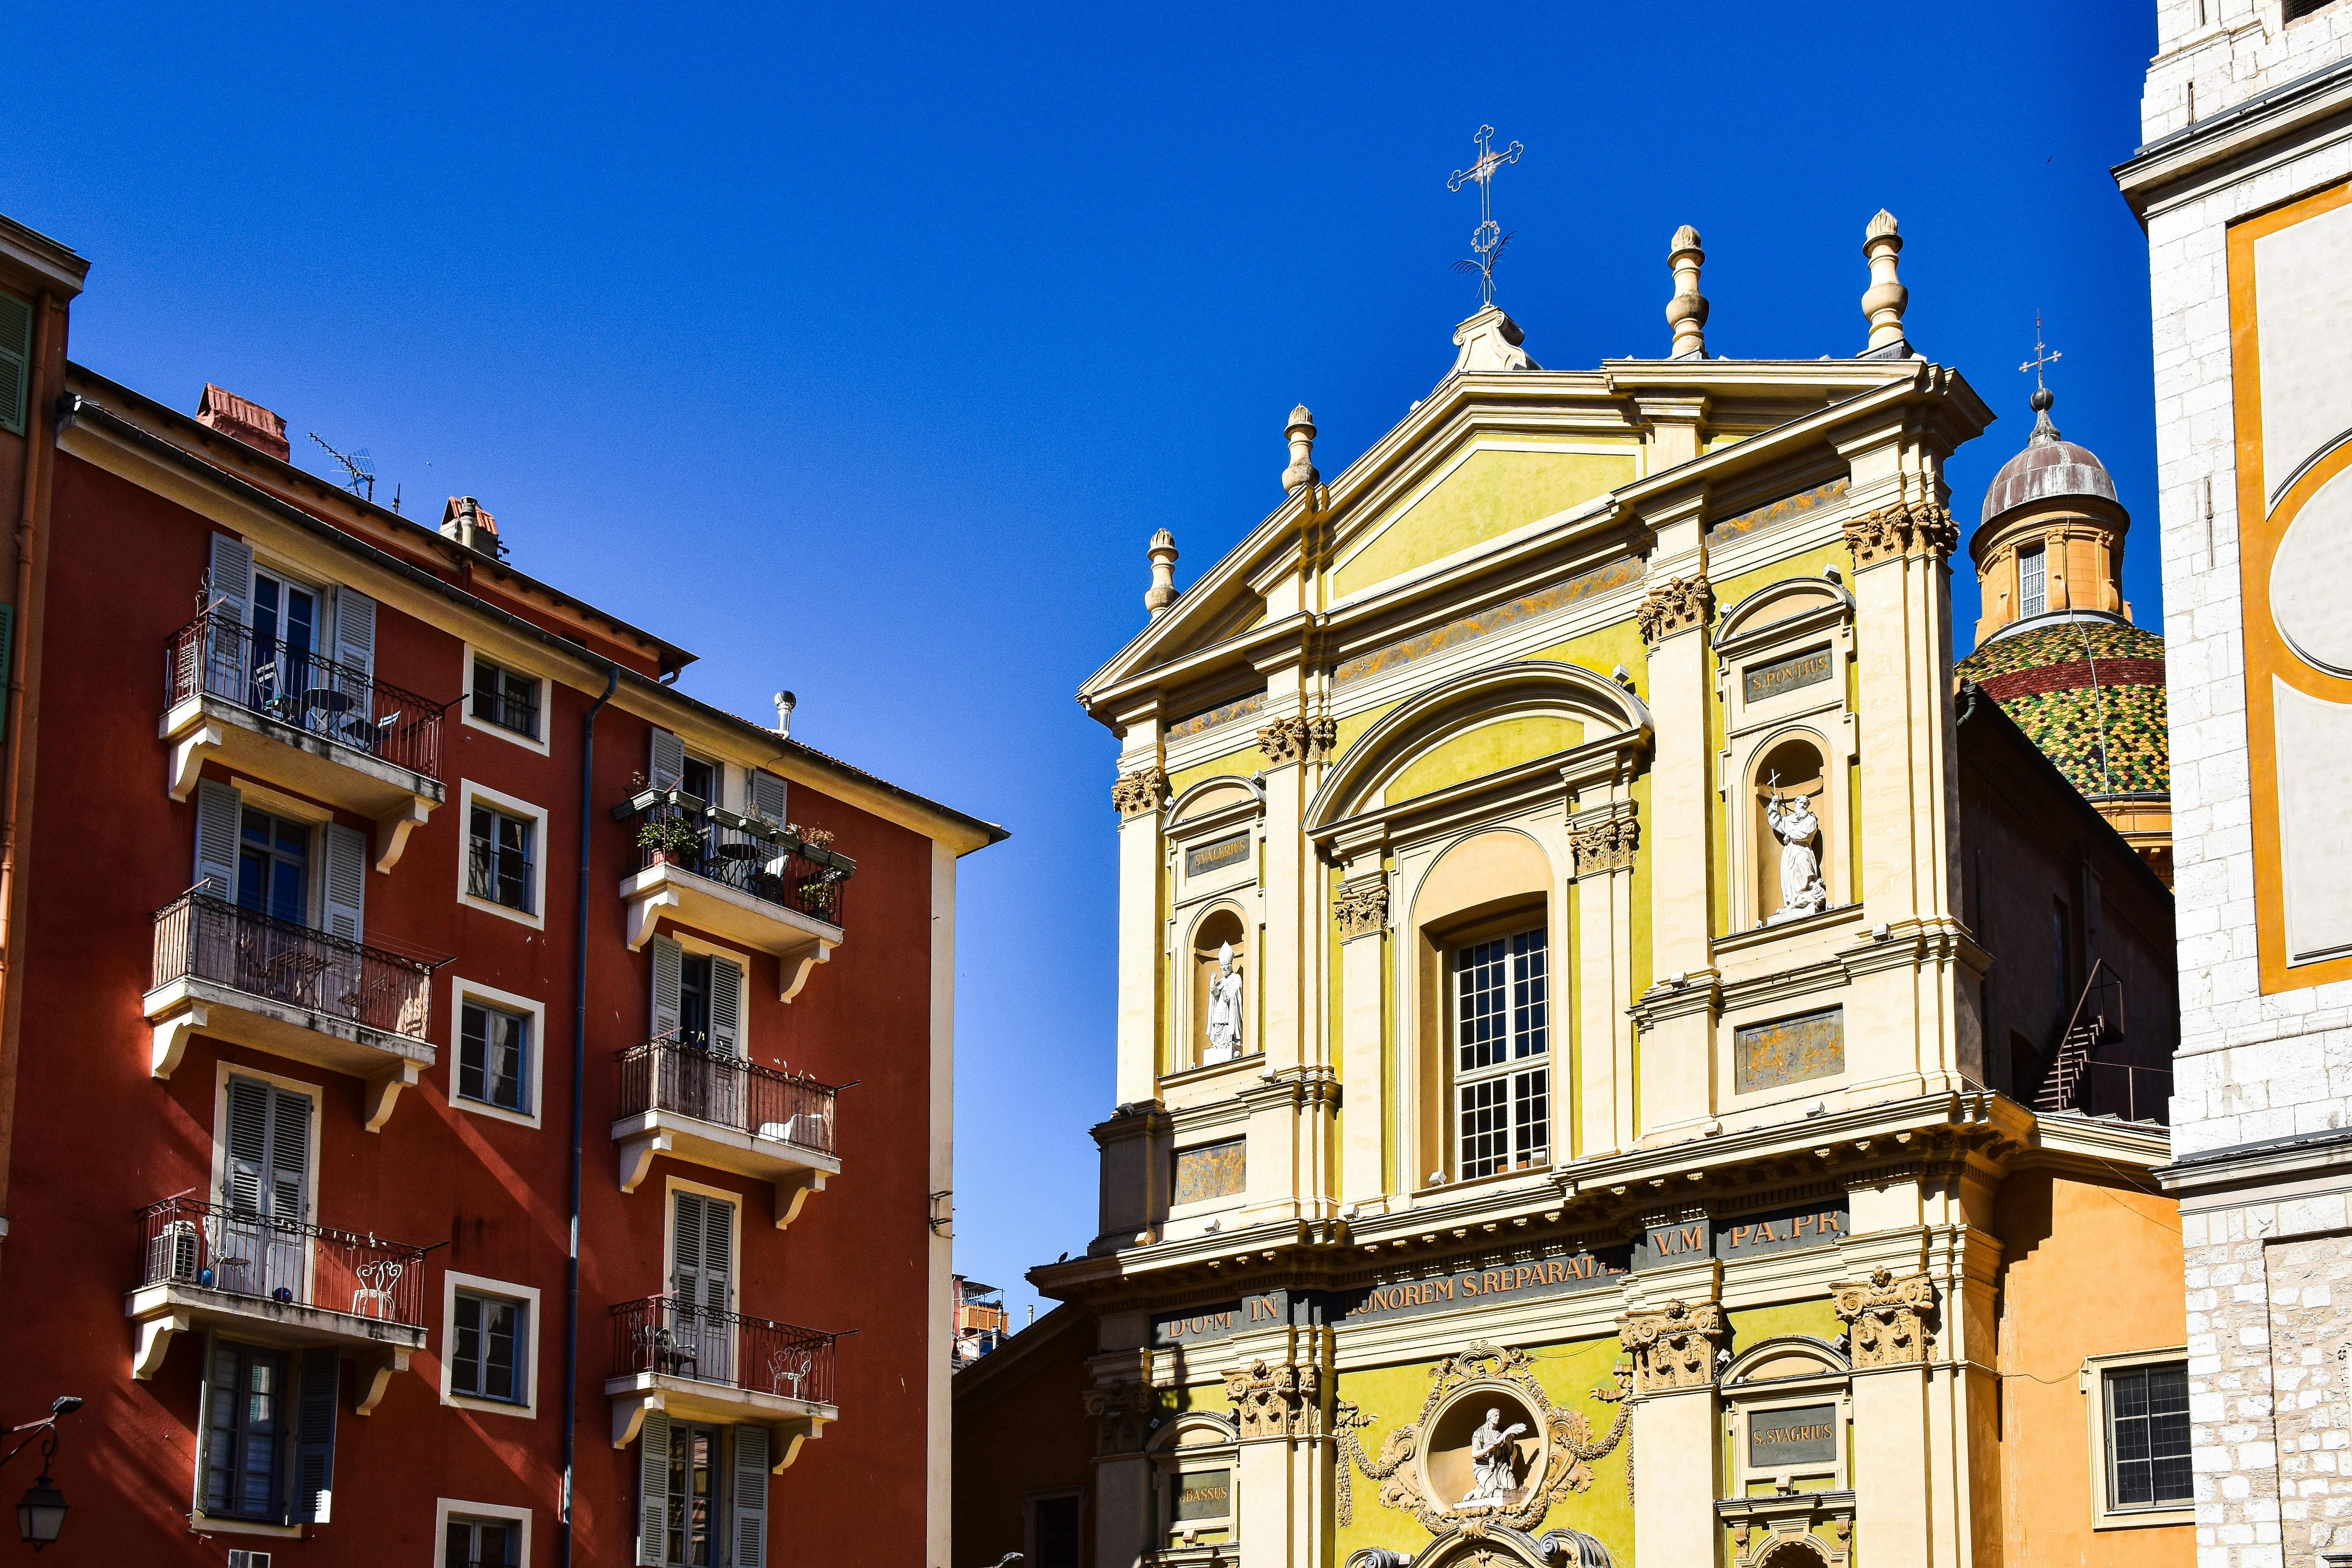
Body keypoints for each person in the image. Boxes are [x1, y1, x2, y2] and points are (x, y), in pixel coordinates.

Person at [1764, 777, 1831, 924]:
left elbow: (1808, 832)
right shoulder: (1790, 820)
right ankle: (1794, 900)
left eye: (1806, 804)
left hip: (1803, 849)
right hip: (1790, 853)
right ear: (1796, 804)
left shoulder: (1810, 820)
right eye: (1801, 803)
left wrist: (1791, 835)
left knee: (1803, 862)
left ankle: (1808, 891)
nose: (1803, 806)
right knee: (1791, 876)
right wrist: (1774, 807)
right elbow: (1777, 822)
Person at [1458, 1407, 1529, 1506]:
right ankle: (1475, 1492)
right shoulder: (1479, 1433)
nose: (1498, 1418)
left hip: (1500, 1465)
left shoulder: (1502, 1431)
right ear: (1489, 1418)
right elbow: (1474, 1454)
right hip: (1483, 1466)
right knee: (1492, 1489)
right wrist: (1489, 1449)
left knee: (1512, 1487)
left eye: (1499, 1416)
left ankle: (1482, 1489)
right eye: (1495, 1416)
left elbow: (1509, 1454)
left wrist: (1509, 1444)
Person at [1204, 941, 1244, 1062]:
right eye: (1222, 969)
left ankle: (1228, 1042)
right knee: (1218, 1024)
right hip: (1220, 1008)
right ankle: (1218, 1044)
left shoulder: (1236, 978)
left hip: (1229, 1009)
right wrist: (1213, 981)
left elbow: (1237, 991)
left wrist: (1230, 995)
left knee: (1226, 1025)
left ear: (1230, 967)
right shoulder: (1221, 981)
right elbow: (1215, 992)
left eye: (1226, 969)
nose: (1224, 971)